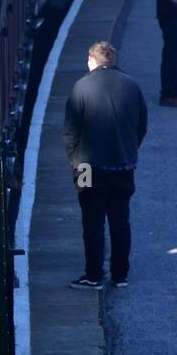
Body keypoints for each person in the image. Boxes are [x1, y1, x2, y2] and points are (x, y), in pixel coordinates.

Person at [62, 41, 148, 290]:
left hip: (87, 168)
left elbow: (70, 131)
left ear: (91, 59)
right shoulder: (132, 85)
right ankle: (120, 274)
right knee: (120, 220)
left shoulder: (81, 87)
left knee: (92, 222)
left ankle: (93, 275)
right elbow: (141, 125)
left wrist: (74, 162)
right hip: (123, 165)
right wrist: (129, 150)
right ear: (112, 59)